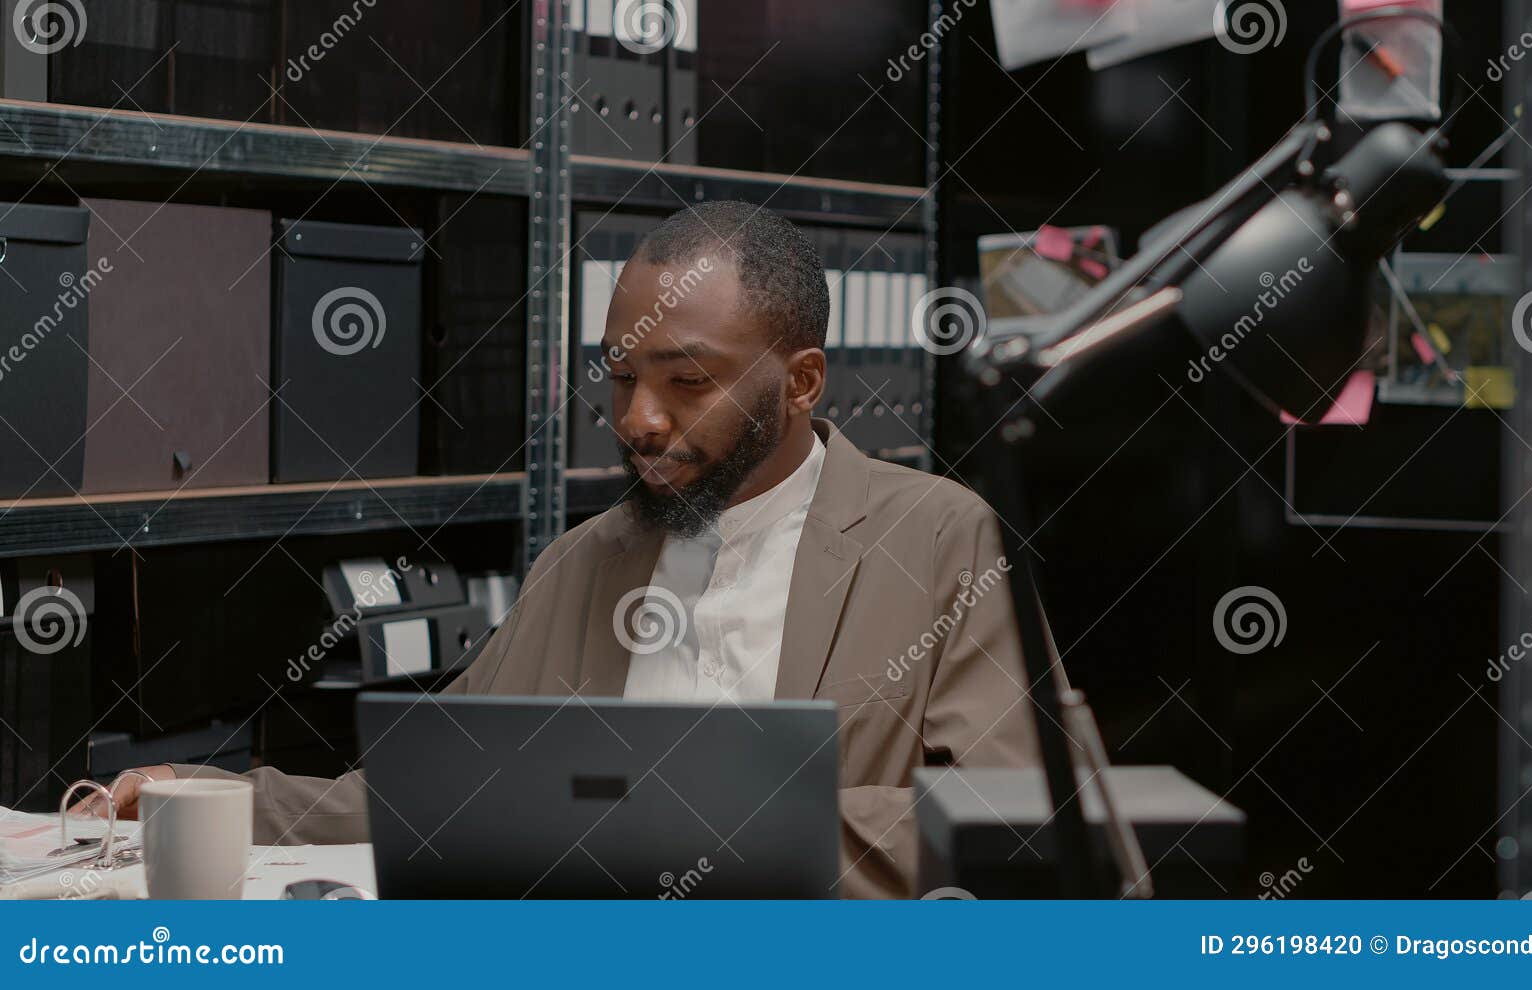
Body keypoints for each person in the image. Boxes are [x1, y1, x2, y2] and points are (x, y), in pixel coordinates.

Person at [79, 201, 1039, 899]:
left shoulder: (942, 539)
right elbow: (441, 792)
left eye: (686, 381)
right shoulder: (586, 561)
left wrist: (686, 825)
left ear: (802, 382)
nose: (638, 420)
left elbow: (1012, 819)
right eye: (622, 377)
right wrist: (212, 798)